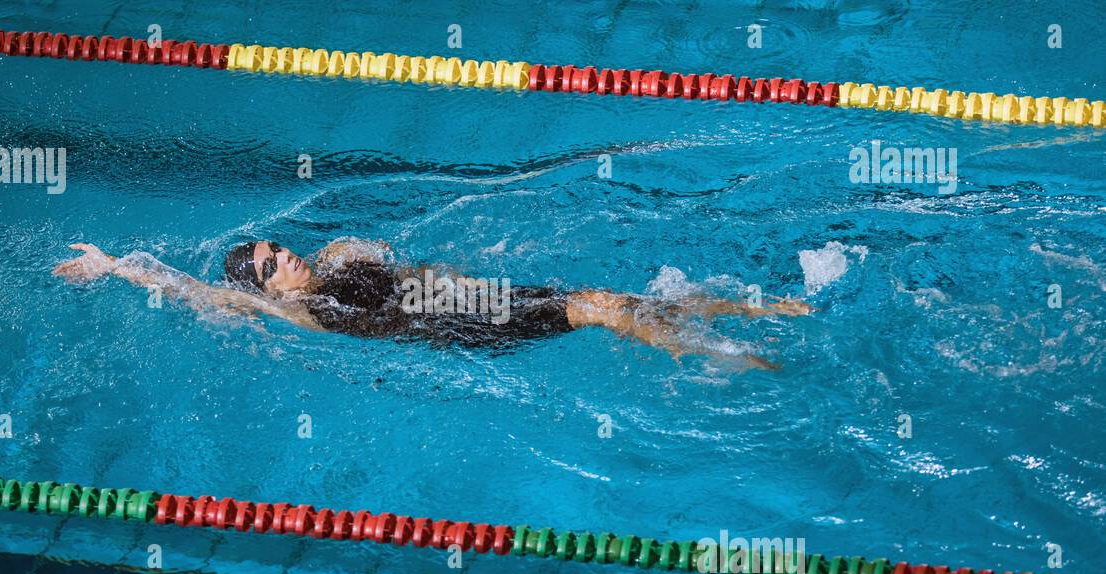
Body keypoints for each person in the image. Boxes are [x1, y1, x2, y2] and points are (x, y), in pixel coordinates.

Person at [53, 238, 812, 368]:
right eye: (270, 265)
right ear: (265, 290)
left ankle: (763, 314)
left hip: (466, 297)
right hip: (454, 324)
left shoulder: (337, 262)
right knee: (596, 307)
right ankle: (733, 356)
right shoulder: (290, 311)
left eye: (277, 248)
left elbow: (385, 256)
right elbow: (188, 289)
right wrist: (114, 266)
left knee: (614, 299)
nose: (284, 257)